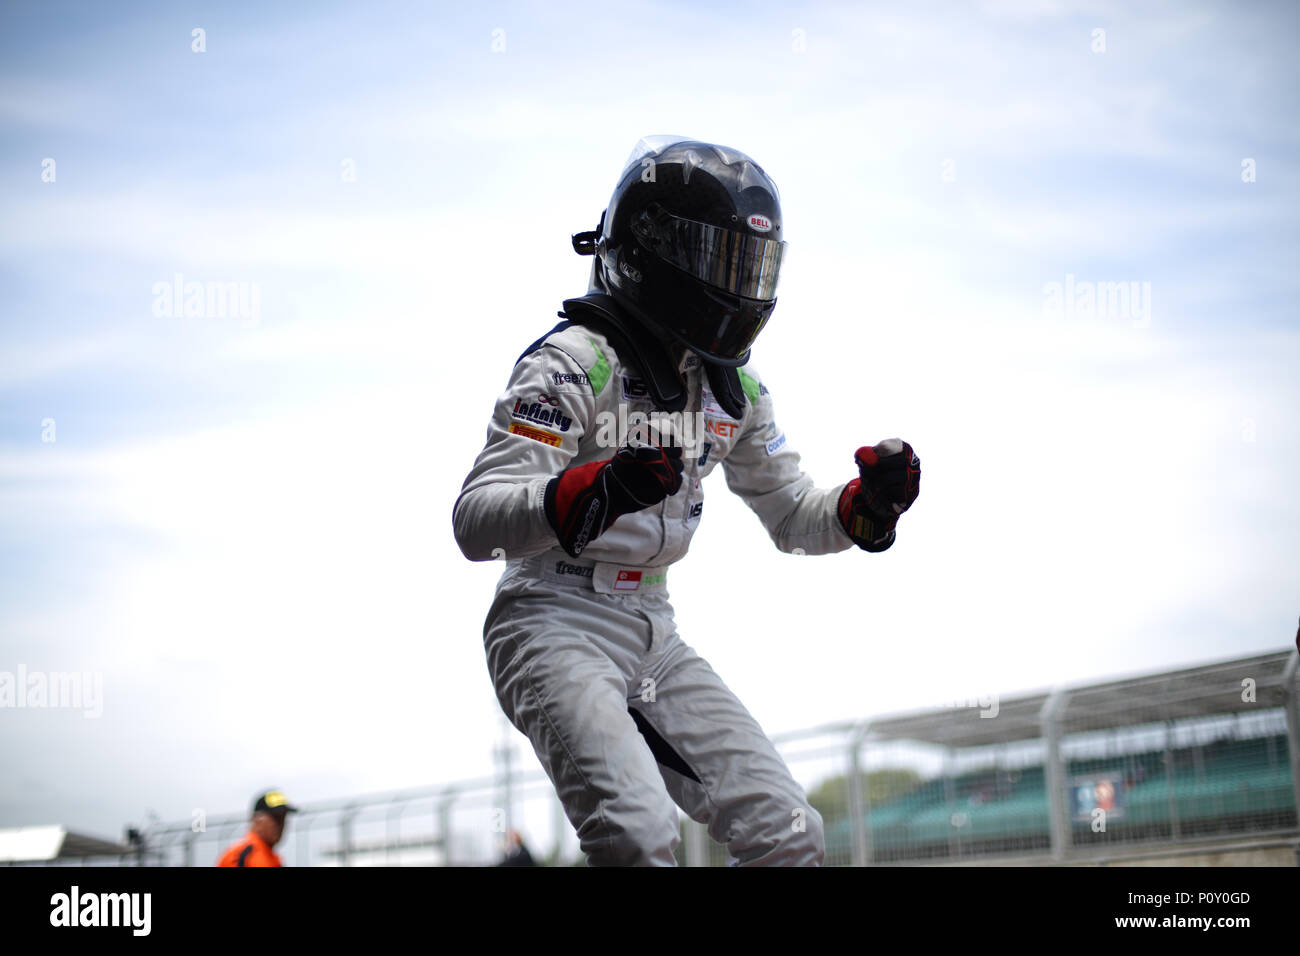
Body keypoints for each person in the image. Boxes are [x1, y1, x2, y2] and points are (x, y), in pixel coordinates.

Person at [453, 136, 921, 866]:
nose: (738, 284)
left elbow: (793, 514)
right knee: (639, 835)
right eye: (721, 260)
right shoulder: (576, 361)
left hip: (654, 630)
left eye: (750, 264)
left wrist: (864, 508)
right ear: (653, 250)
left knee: (790, 835)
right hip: (550, 619)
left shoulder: (736, 389)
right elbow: (476, 520)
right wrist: (597, 489)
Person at [216, 789, 299, 867]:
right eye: (276, 818)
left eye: (283, 819)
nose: (280, 825)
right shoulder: (241, 856)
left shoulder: (274, 859)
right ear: (257, 819)